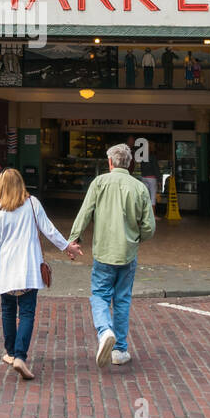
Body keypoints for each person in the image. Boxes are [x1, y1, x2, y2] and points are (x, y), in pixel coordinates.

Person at [0, 168, 82, 381]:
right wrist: (68, 247)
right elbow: (49, 230)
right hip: (29, 268)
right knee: (27, 313)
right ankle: (20, 356)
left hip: (6, 269)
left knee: (8, 310)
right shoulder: (32, 203)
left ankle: (11, 353)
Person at [68, 143, 156, 370]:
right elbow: (149, 227)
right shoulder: (140, 188)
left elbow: (85, 213)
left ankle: (104, 330)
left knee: (99, 295)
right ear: (129, 163)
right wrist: (136, 239)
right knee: (122, 300)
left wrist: (74, 239)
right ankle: (120, 350)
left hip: (104, 252)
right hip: (128, 253)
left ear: (109, 162)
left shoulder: (99, 183)